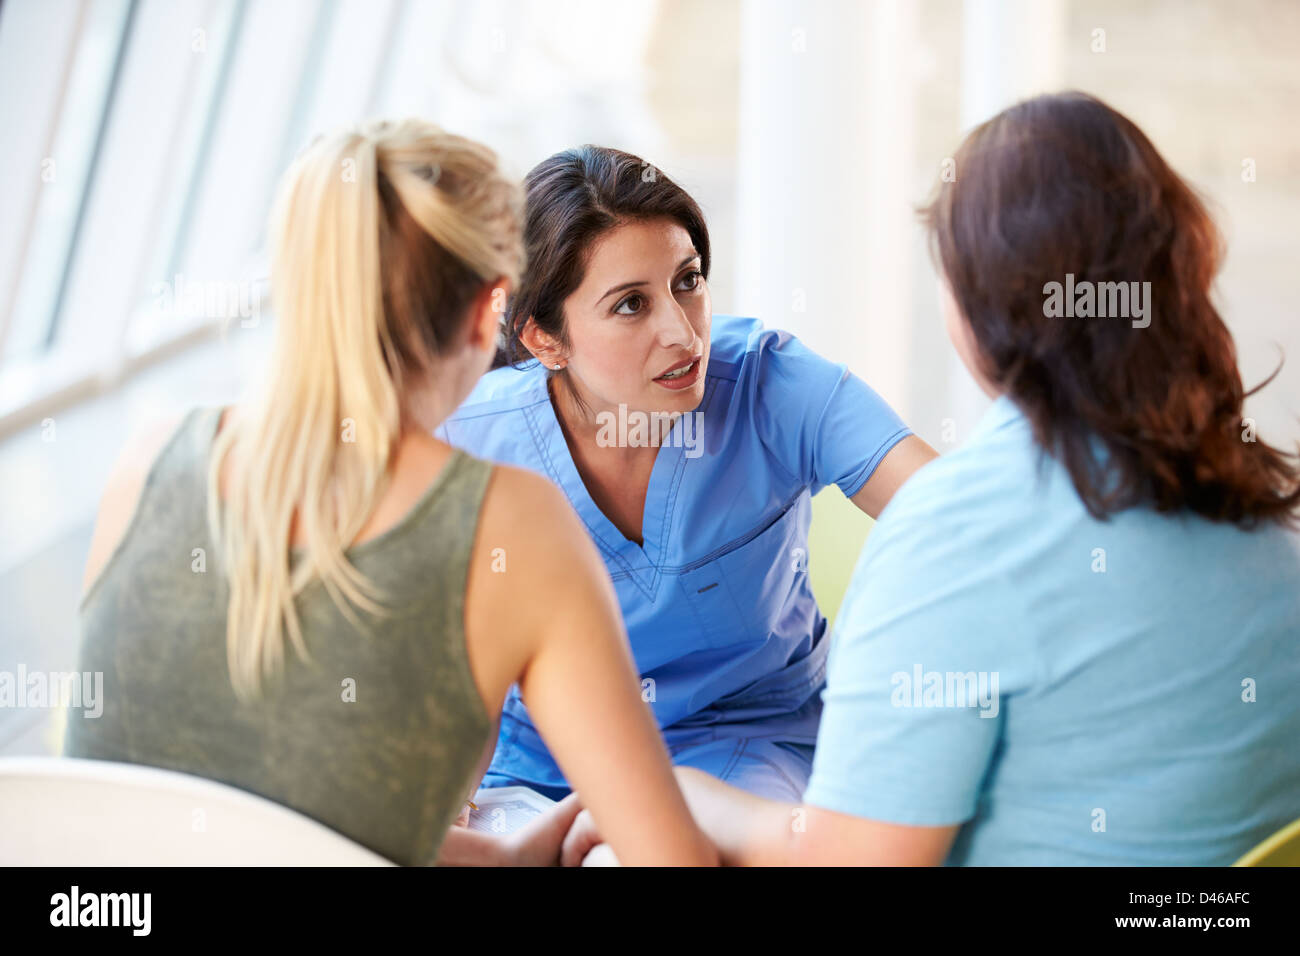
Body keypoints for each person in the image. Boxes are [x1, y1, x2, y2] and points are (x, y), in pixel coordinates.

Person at [561, 91, 1300, 866]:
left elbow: (853, 863)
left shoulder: (955, 538)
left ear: (981, 305)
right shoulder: (1259, 515)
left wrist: (688, 796)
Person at [64, 119, 715, 867]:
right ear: (489, 313)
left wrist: (498, 861)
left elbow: (237, 817)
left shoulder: (149, 458)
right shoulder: (511, 524)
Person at [437, 145, 937, 802]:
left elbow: (950, 515)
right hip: (538, 765)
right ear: (542, 339)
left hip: (741, 745)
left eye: (688, 281)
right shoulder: (469, 439)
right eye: (629, 305)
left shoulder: (772, 385)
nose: (682, 333)